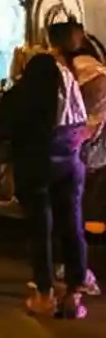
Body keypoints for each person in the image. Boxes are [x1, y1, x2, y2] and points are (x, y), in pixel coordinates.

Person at [0, 52, 90, 319]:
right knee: (72, 227)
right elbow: (82, 126)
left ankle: (44, 294)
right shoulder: (69, 93)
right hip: (69, 167)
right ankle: (73, 294)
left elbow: (2, 128)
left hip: (33, 170)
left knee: (39, 232)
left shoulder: (18, 96)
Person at [40, 22, 104, 294]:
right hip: (84, 153)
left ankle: (64, 271)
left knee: (63, 214)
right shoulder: (91, 70)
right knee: (75, 214)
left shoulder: (57, 69)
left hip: (66, 152)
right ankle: (75, 272)